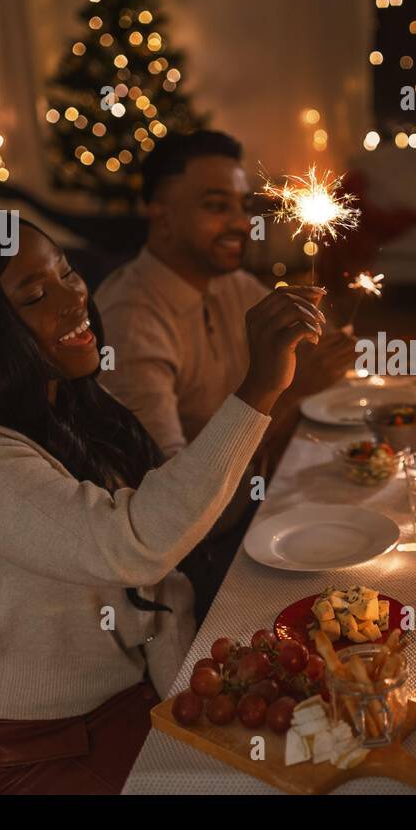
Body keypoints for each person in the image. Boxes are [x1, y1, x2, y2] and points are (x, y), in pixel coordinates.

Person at [0, 220, 325, 793]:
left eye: (67, 271)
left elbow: (169, 523)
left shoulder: (67, 399)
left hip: (126, 704)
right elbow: (134, 544)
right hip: (31, 750)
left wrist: (196, 693)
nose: (76, 299)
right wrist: (259, 389)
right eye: (37, 296)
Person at [95, 131, 355, 616]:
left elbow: (311, 358)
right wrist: (292, 391)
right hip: (194, 566)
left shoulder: (233, 286)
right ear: (160, 212)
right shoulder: (133, 324)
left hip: (256, 506)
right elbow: (172, 518)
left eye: (242, 206)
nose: (240, 223)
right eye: (217, 206)